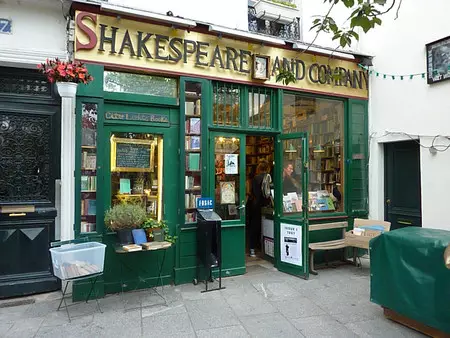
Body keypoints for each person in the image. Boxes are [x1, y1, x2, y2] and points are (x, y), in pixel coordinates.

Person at [247, 160, 270, 257]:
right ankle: (264, 248)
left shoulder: (256, 178)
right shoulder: (268, 178)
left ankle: (252, 248)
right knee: (265, 226)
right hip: (266, 204)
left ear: (259, 168)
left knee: (254, 226)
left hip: (256, 205)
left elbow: (254, 192)